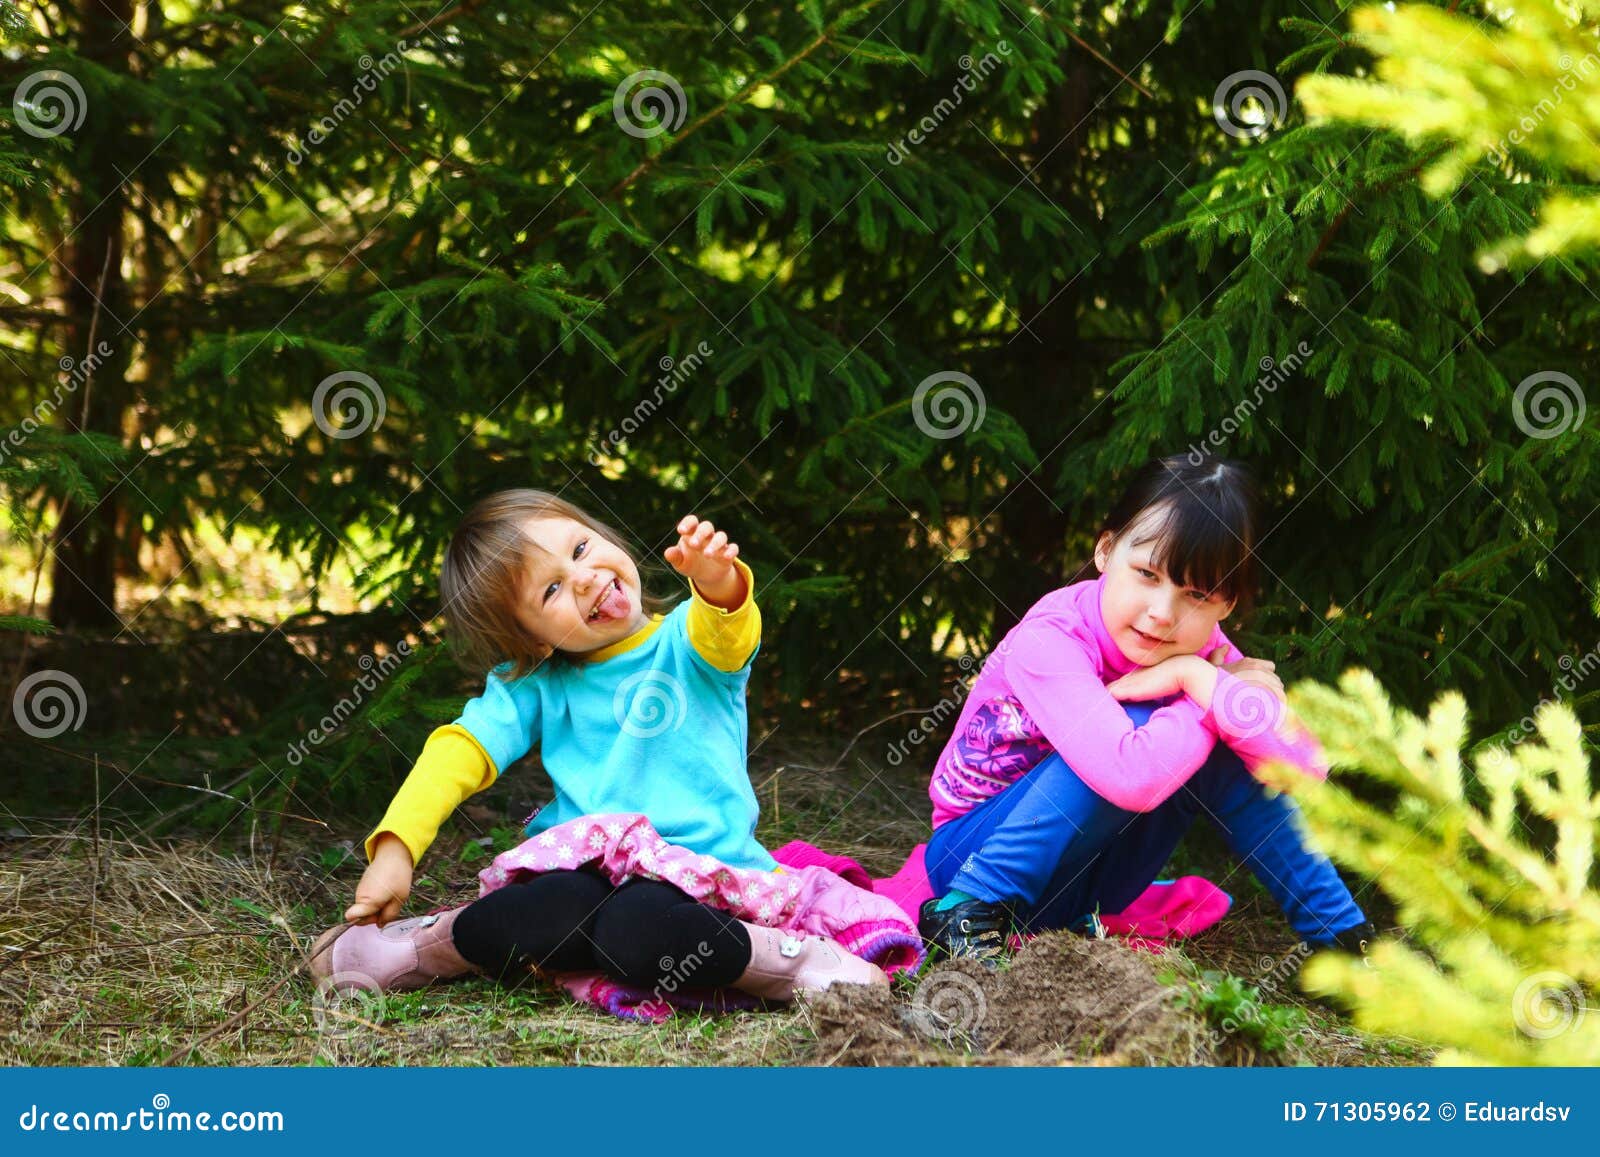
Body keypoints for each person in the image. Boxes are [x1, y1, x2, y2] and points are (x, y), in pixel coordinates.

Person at [310, 489, 889, 1001]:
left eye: (580, 550)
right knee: (542, 913)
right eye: (552, 590)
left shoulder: (688, 643)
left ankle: (790, 962)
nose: (584, 578)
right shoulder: (538, 681)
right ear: (530, 641)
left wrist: (716, 580)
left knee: (640, 931)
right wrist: (396, 848)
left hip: (697, 879)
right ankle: (422, 950)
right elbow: (460, 750)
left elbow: (728, 623)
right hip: (583, 877)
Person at [919, 456, 1374, 965]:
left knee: (1219, 743)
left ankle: (1341, 940)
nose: (1162, 613)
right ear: (1105, 550)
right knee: (1145, 733)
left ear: (1226, 604)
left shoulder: (1207, 650)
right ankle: (965, 913)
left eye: (1196, 594)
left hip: (1087, 885)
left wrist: (1204, 680)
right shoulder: (1051, 637)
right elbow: (1129, 773)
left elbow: (1301, 769)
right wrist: (1198, 683)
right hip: (972, 856)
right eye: (1146, 574)